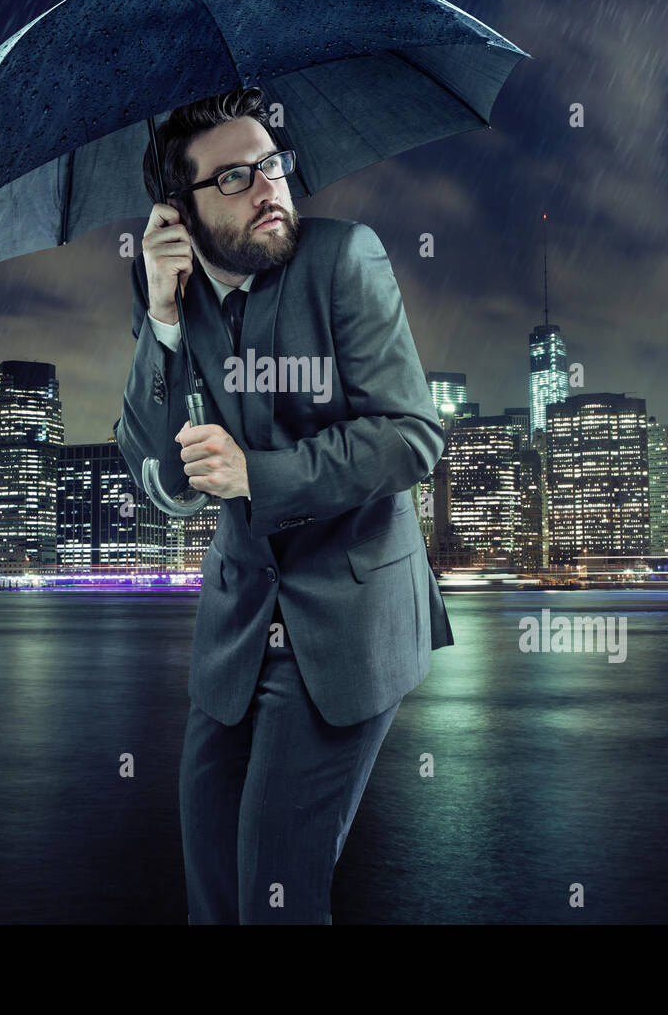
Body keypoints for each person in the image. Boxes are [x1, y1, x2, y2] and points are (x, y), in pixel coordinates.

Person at [114, 85, 454, 924]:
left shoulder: (345, 259)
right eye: (234, 177)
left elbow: (412, 436)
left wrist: (258, 476)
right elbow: (153, 475)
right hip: (234, 635)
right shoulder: (172, 293)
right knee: (213, 902)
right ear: (177, 212)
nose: (269, 187)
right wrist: (159, 321)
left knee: (277, 901)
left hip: (347, 622)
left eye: (273, 163)